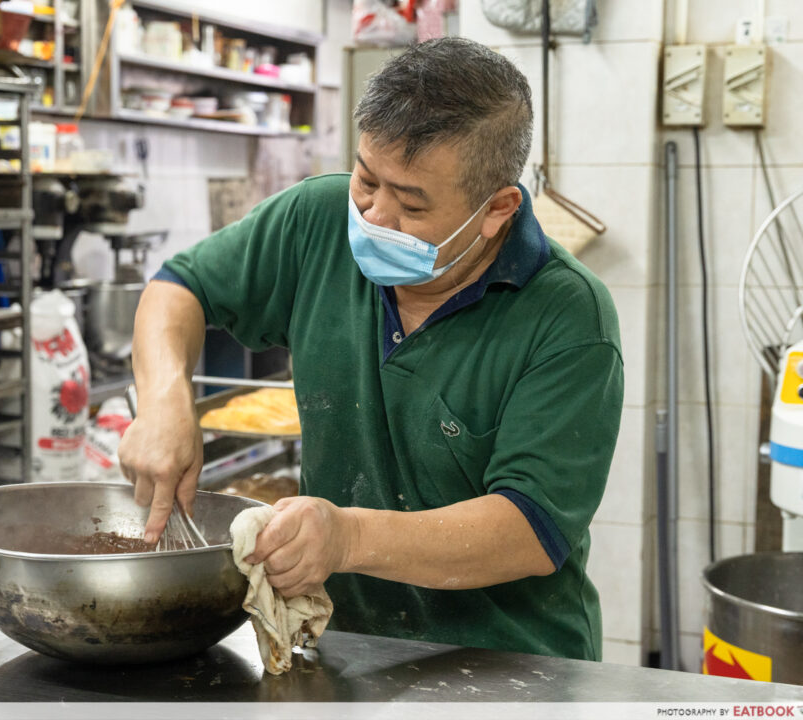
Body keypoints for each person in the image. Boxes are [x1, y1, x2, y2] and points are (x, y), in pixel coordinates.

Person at [118, 37, 623, 661]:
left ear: (497, 210)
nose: (375, 215)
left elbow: (528, 530)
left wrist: (348, 536)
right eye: (366, 179)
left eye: (411, 203)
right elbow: (179, 290)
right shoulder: (317, 220)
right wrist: (165, 399)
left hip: (510, 666)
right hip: (343, 651)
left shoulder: (568, 316)